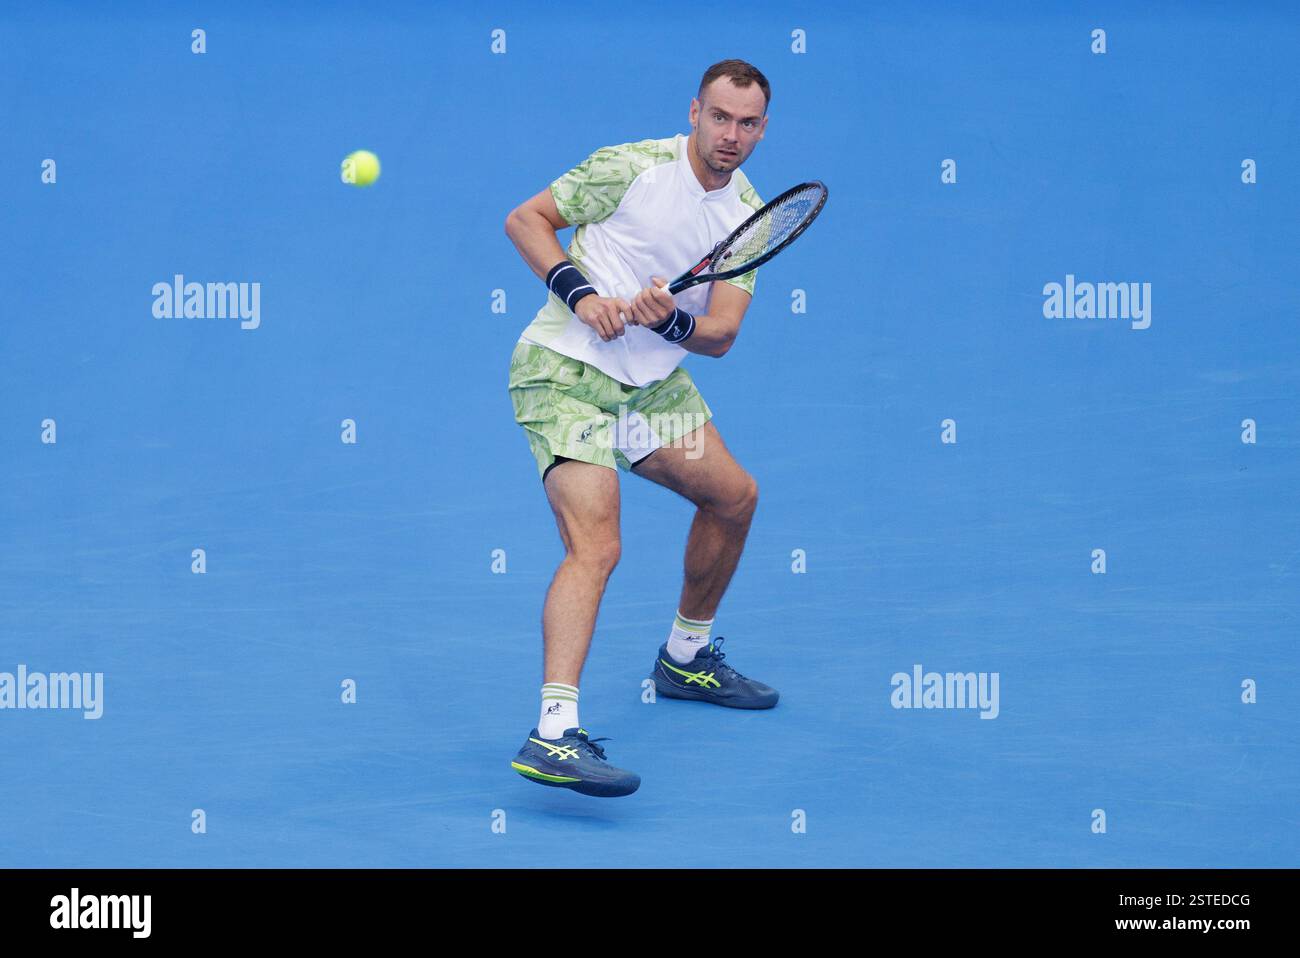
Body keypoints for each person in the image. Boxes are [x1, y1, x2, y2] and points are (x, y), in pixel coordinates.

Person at [503, 59, 780, 798]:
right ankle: (553, 735)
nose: (731, 135)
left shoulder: (747, 219)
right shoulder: (630, 167)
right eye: (719, 117)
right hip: (564, 375)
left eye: (747, 123)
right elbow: (525, 220)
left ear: (762, 128)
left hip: (650, 393)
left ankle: (686, 657)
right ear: (694, 112)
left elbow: (720, 335)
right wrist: (582, 292)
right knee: (597, 544)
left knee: (735, 498)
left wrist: (674, 319)